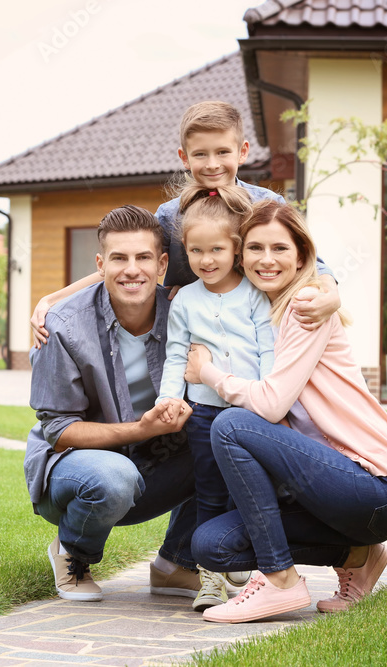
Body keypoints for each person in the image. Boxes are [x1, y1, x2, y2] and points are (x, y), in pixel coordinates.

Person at [183, 200, 387, 624]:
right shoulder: (261, 313)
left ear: (303, 256)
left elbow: (271, 405)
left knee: (231, 425)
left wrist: (208, 373)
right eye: (255, 248)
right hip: (326, 490)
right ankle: (359, 554)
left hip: (374, 486)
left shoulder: (306, 304)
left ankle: (280, 580)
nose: (266, 260)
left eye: (280, 248)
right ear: (240, 256)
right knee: (211, 545)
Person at [28, 100, 342, 349]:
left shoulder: (266, 206)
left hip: (258, 331)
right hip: (193, 334)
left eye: (223, 152)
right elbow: (127, 261)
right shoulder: (170, 215)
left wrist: (331, 294)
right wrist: (53, 299)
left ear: (242, 152)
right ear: (184, 157)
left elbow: (312, 263)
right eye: (200, 154)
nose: (212, 164)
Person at [25, 204, 201, 602]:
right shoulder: (63, 326)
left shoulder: (184, 314)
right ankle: (73, 552)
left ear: (162, 264)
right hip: (77, 472)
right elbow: (59, 431)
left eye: (143, 258)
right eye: (119, 258)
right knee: (114, 477)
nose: (132, 270)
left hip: (154, 464)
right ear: (101, 264)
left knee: (229, 438)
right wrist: (141, 429)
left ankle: (177, 563)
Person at [154, 182, 274, 612]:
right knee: (207, 491)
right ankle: (209, 578)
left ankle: (245, 564)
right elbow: (175, 355)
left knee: (248, 490)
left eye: (217, 250)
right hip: (204, 412)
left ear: (236, 249)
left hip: (249, 411)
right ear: (184, 251)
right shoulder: (185, 300)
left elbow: (268, 350)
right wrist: (169, 399)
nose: (206, 260)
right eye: (196, 251)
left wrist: (270, 397)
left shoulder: (256, 294)